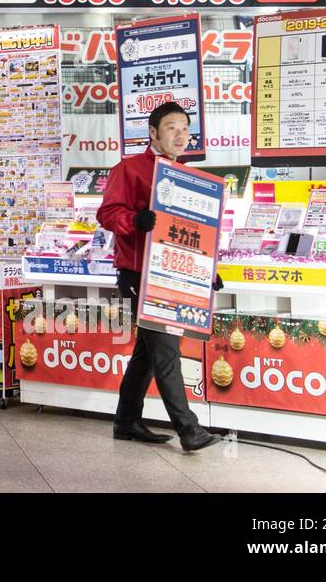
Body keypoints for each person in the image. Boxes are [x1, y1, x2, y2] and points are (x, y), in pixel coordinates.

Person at [97, 101, 219, 452]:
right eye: (171, 127)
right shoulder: (130, 168)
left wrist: (207, 271)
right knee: (166, 350)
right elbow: (107, 213)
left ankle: (126, 421)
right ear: (152, 132)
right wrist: (135, 220)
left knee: (149, 354)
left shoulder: (187, 176)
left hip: (171, 274)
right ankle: (188, 429)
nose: (180, 135)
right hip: (139, 274)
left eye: (184, 128)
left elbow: (193, 230)